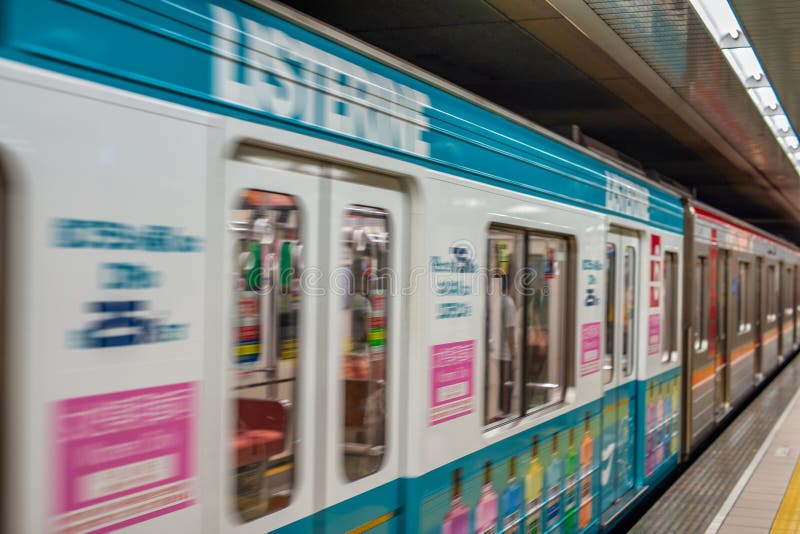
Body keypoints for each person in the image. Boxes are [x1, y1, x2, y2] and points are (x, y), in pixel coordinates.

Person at [499, 274, 517, 415]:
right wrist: (514, 354)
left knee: (499, 388)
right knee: (506, 388)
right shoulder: (508, 302)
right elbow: (509, 330)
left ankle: (499, 413)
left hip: (495, 354)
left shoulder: (496, 301)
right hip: (505, 354)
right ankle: (505, 415)